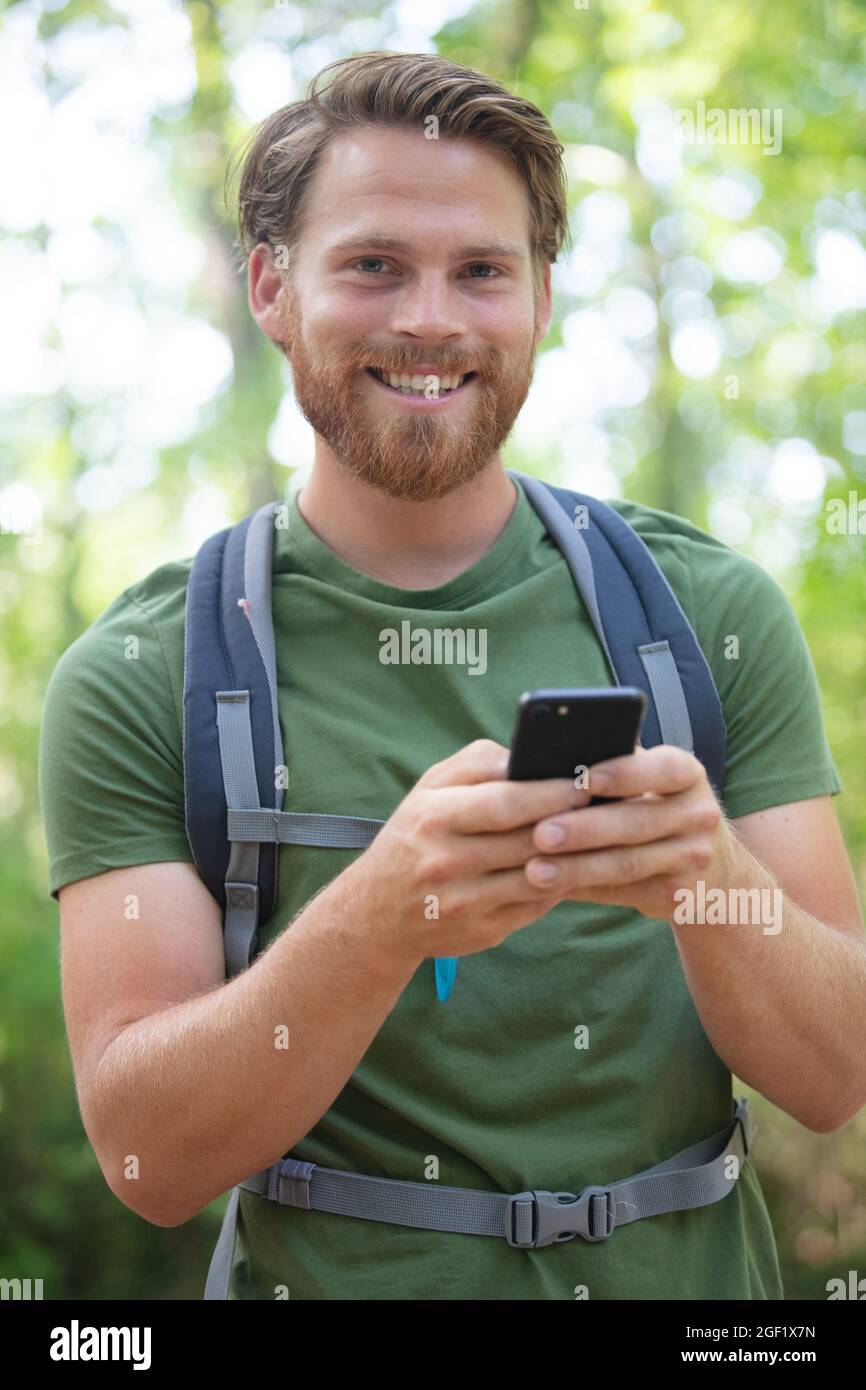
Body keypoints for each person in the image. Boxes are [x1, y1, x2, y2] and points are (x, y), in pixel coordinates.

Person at [39, 51, 865, 1301]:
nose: (430, 318)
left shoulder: (707, 614)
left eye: (480, 270)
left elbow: (834, 1072)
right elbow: (149, 1157)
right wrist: (373, 925)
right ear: (271, 286)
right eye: (372, 264)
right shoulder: (145, 671)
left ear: (540, 296)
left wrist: (709, 880)